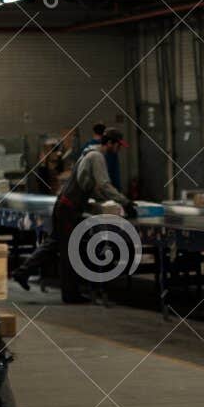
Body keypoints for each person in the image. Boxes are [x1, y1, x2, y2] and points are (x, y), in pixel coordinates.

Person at [15, 126, 136, 303]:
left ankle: (22, 272)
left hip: (64, 205)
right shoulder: (97, 157)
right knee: (69, 250)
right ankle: (70, 295)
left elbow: (92, 187)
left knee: (55, 243)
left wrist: (104, 201)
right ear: (109, 143)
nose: (118, 151)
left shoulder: (88, 154)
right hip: (68, 208)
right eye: (118, 146)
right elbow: (104, 185)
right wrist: (125, 201)